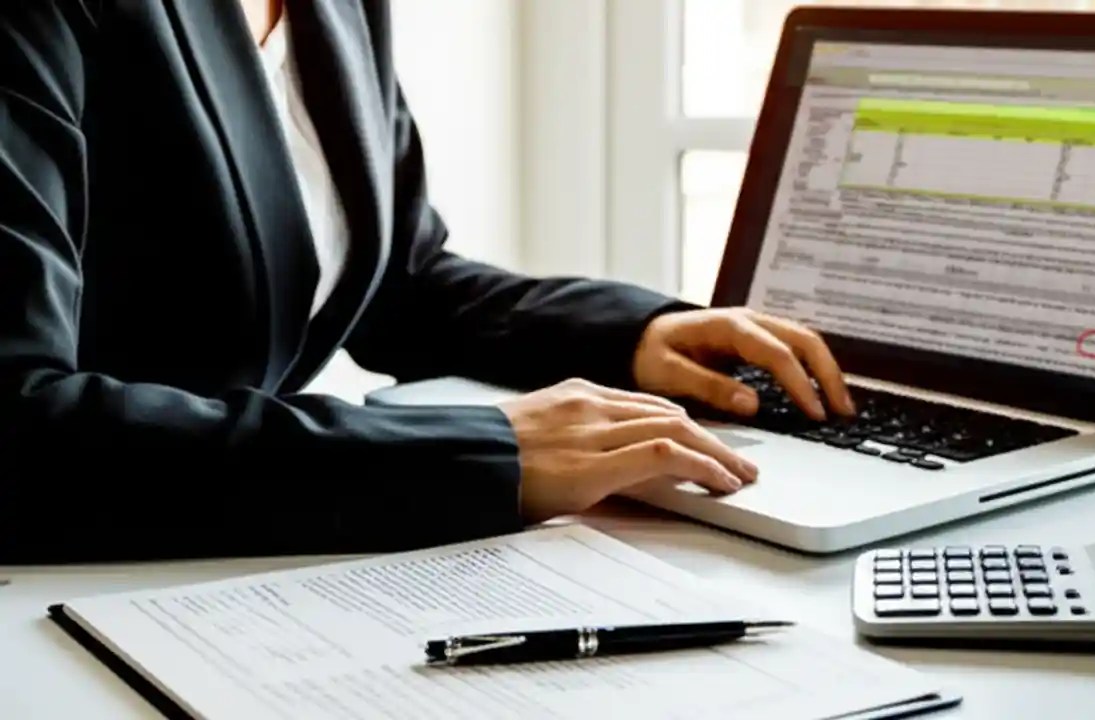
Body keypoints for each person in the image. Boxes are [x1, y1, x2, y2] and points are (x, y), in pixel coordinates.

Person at [0, 0, 853, 563]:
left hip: (233, 563)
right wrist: (485, 450)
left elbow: (398, 281)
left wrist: (629, 334)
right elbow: (20, 424)